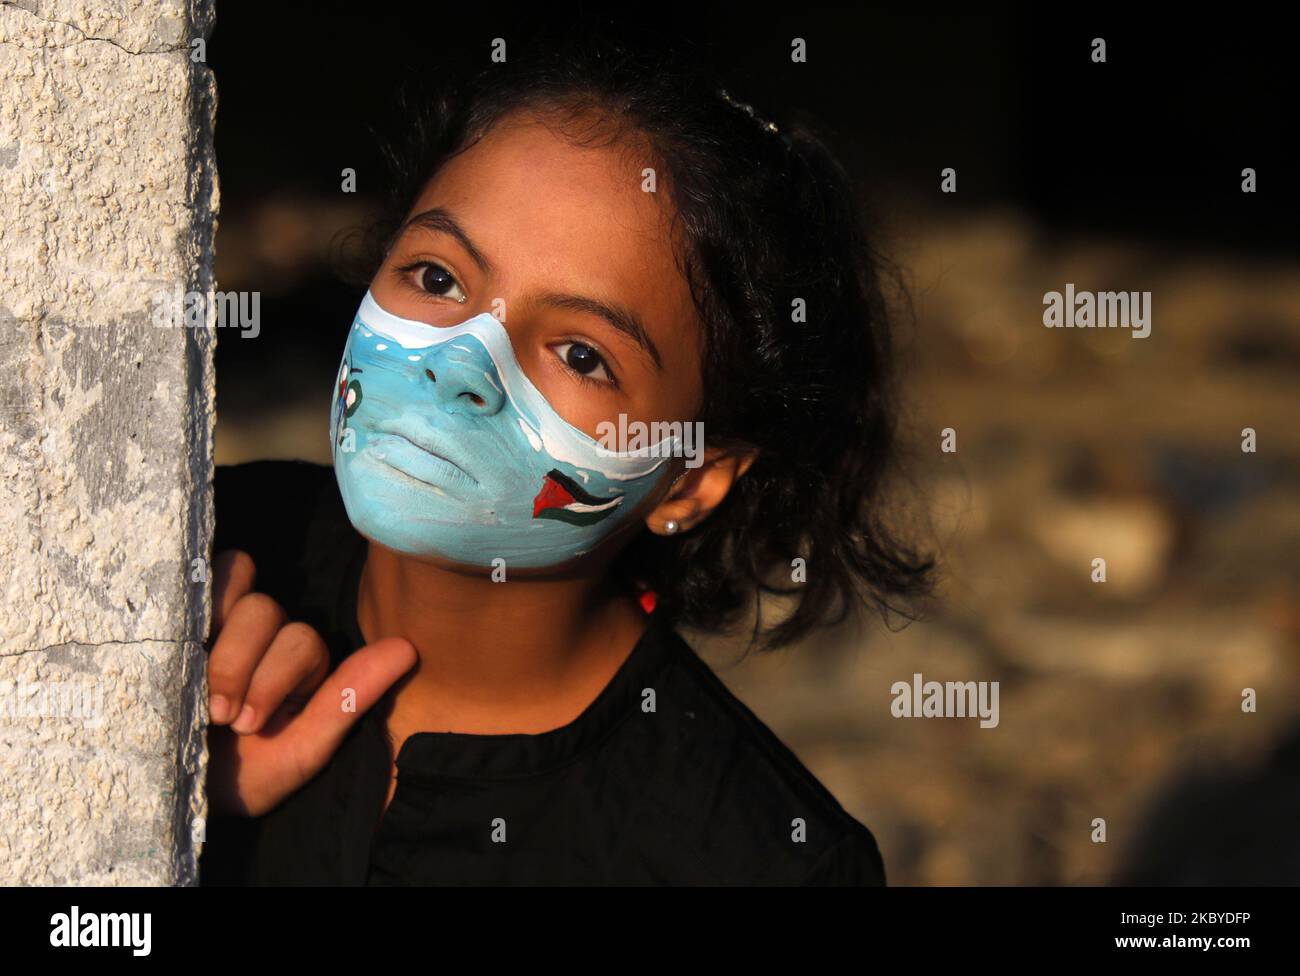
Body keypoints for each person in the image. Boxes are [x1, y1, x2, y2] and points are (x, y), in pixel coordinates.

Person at [199, 31, 934, 885]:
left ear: (691, 478)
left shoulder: (759, 858)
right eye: (438, 278)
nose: (461, 363)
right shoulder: (207, 559)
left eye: (582, 355)